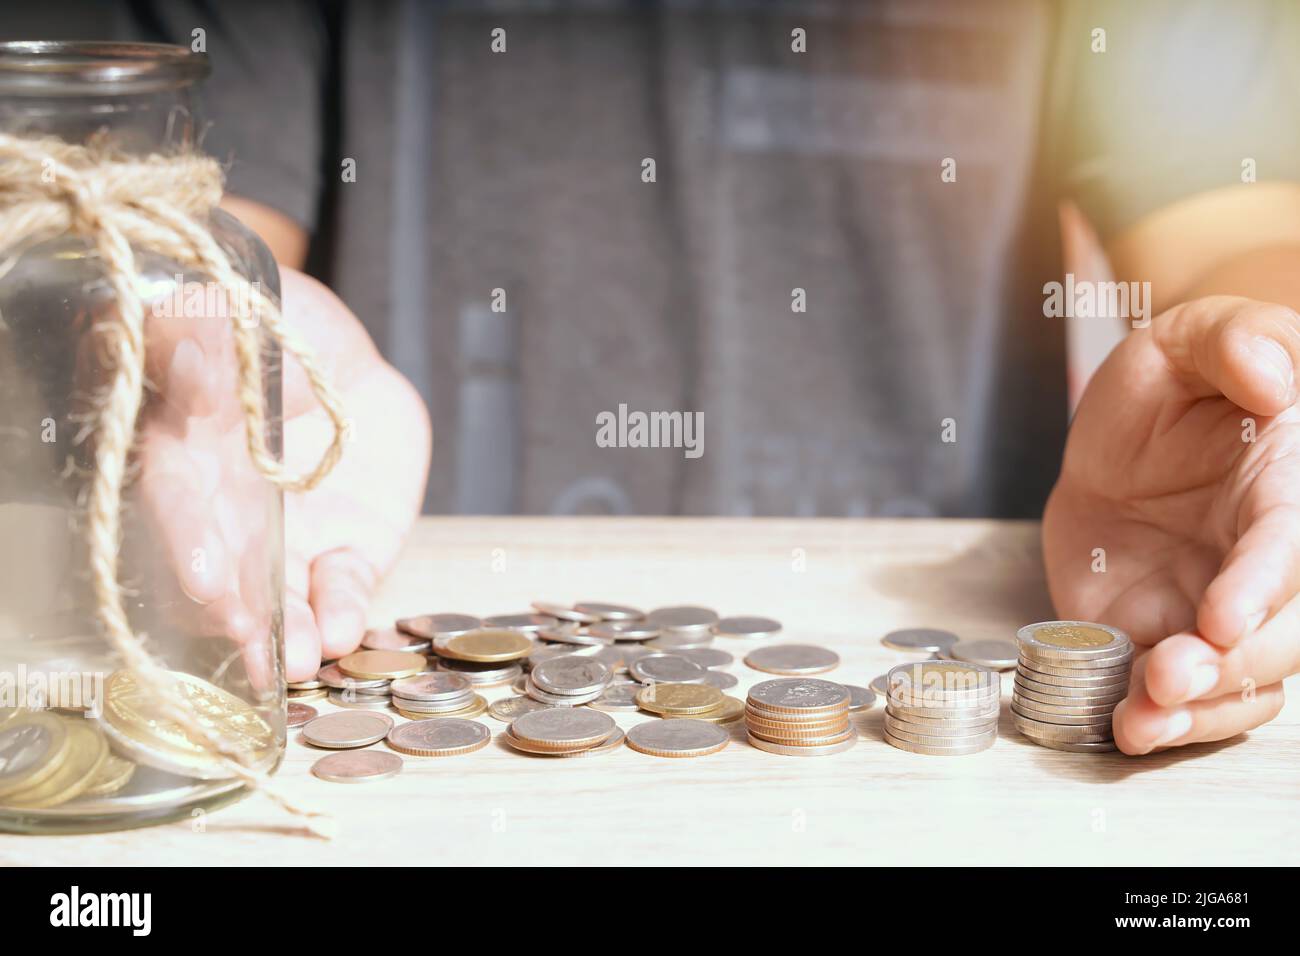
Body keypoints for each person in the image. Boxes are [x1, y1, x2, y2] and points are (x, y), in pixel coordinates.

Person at [4, 0, 1298, 757]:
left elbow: (1245, 222)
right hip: (387, 604)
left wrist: (1265, 402)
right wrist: (201, 355)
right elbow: (141, 215)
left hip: (971, 641)